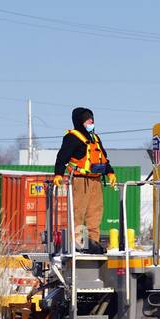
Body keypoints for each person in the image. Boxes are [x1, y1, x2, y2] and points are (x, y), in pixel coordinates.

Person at [52, 107, 116, 253]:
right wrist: (58, 174)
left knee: (95, 212)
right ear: (80, 121)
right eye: (87, 120)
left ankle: (93, 242)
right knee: (78, 211)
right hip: (80, 180)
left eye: (92, 120)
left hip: (96, 180)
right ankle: (77, 242)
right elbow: (62, 157)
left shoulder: (95, 138)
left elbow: (103, 158)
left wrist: (110, 172)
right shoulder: (72, 137)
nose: (91, 122)